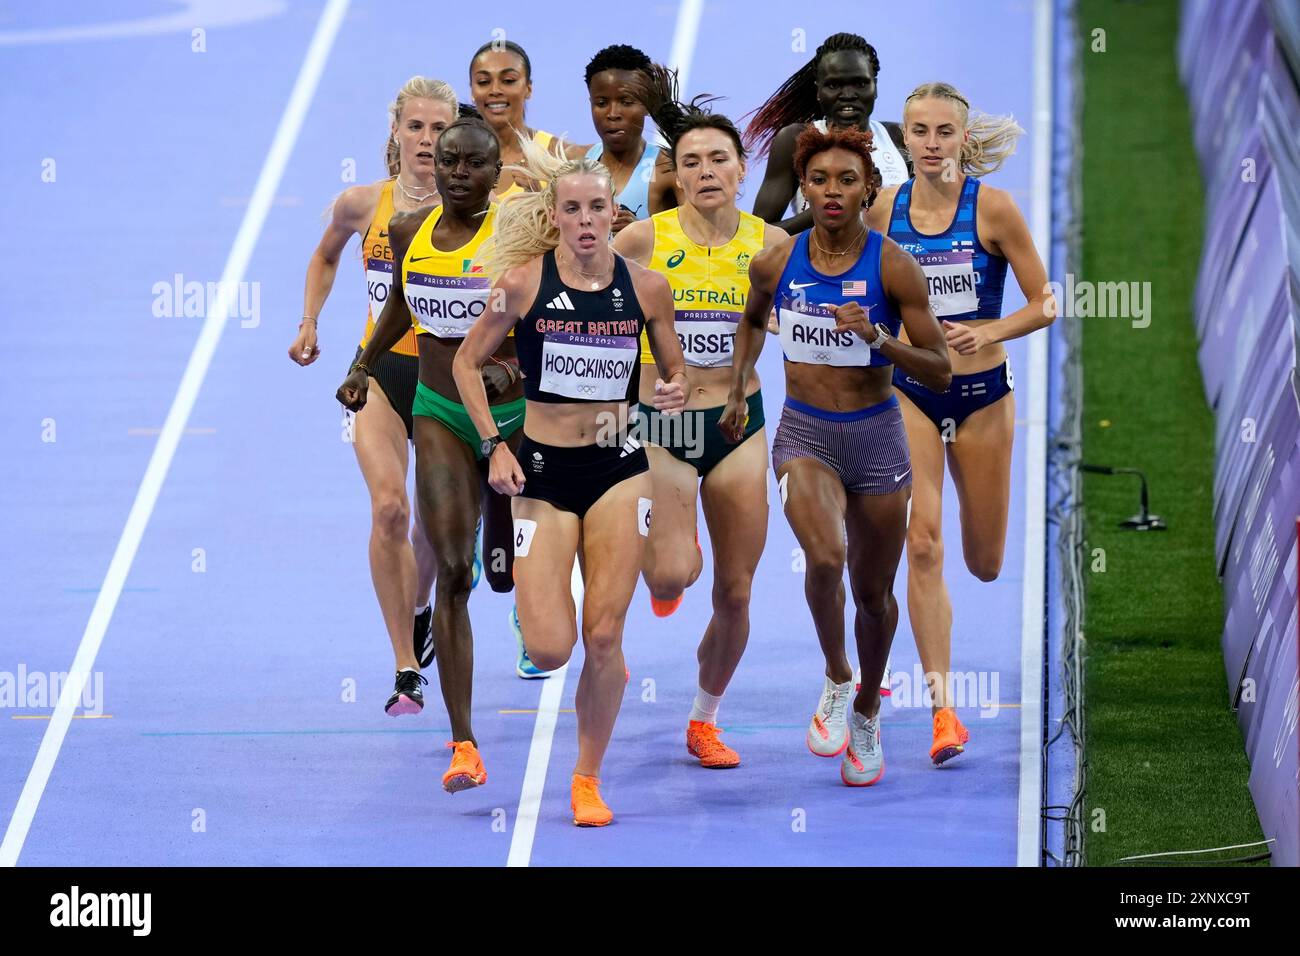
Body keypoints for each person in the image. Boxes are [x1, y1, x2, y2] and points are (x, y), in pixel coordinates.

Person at [453, 137, 686, 825]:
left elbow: (672, 372)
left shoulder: (645, 287)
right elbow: (468, 366)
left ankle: (587, 778)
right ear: (555, 218)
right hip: (544, 474)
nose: (586, 219)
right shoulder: (522, 283)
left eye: (598, 208)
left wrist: (669, 393)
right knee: (552, 648)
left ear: (615, 214)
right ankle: (554, 626)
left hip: (619, 466)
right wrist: (494, 445)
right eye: (573, 209)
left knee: (605, 637)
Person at [721, 125, 950, 786]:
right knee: (824, 556)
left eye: (846, 180)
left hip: (878, 438)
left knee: (872, 595)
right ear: (805, 186)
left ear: (867, 188)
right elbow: (749, 318)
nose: (831, 191)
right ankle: (836, 676)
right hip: (807, 436)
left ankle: (870, 711)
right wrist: (739, 387)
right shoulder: (776, 260)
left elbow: (937, 370)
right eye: (818, 179)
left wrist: (881, 339)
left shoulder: (892, 265)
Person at [866, 82, 1053, 763]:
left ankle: (949, 682)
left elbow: (1046, 303)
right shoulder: (885, 209)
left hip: (983, 397)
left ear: (962, 140)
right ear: (906, 139)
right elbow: (869, 288)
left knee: (983, 560)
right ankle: (944, 710)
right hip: (913, 390)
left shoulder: (995, 211)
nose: (933, 144)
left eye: (945, 132)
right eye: (920, 131)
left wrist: (988, 330)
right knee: (923, 543)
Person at [337, 116, 524, 793]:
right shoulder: (412, 230)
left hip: (518, 416)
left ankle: (504, 537)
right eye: (448, 161)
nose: (457, 173)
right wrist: (363, 363)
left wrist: (517, 372)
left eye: (473, 164)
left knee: (505, 575)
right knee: (453, 570)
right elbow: (400, 307)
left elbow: (549, 312)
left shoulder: (515, 234)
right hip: (440, 409)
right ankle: (464, 741)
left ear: (496, 172)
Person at [612, 73, 787, 768]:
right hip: (669, 426)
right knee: (670, 577)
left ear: (743, 172)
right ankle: (663, 563)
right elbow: (595, 321)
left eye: (719, 160)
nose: (706, 171)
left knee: (737, 591)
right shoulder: (640, 241)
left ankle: (705, 718)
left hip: (739, 423)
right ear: (675, 177)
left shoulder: (773, 245)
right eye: (691, 162)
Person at [291, 77, 451, 688]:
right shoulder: (363, 204)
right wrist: (309, 320)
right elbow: (325, 254)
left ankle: (419, 609)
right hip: (377, 372)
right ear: (396, 131)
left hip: (445, 379)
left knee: (436, 522)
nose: (427, 140)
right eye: (416, 126)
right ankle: (405, 664)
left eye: (440, 128)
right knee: (389, 507)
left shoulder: (483, 207)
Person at [745, 32, 910, 232]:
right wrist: (843, 203)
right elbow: (759, 233)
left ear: (875, 87)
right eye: (834, 85)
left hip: (888, 262)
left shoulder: (900, 138)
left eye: (860, 83)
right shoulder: (794, 140)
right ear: (818, 91)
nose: (848, 95)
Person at [469, 39, 573, 200]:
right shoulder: (454, 161)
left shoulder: (560, 157)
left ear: (528, 88)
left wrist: (538, 197)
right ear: (472, 91)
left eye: (508, 81)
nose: (495, 90)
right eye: (483, 82)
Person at [581, 44, 668, 231]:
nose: (613, 113)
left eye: (626, 102)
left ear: (647, 104)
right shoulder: (576, 161)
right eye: (601, 103)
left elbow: (698, 242)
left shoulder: (667, 169)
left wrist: (641, 234)